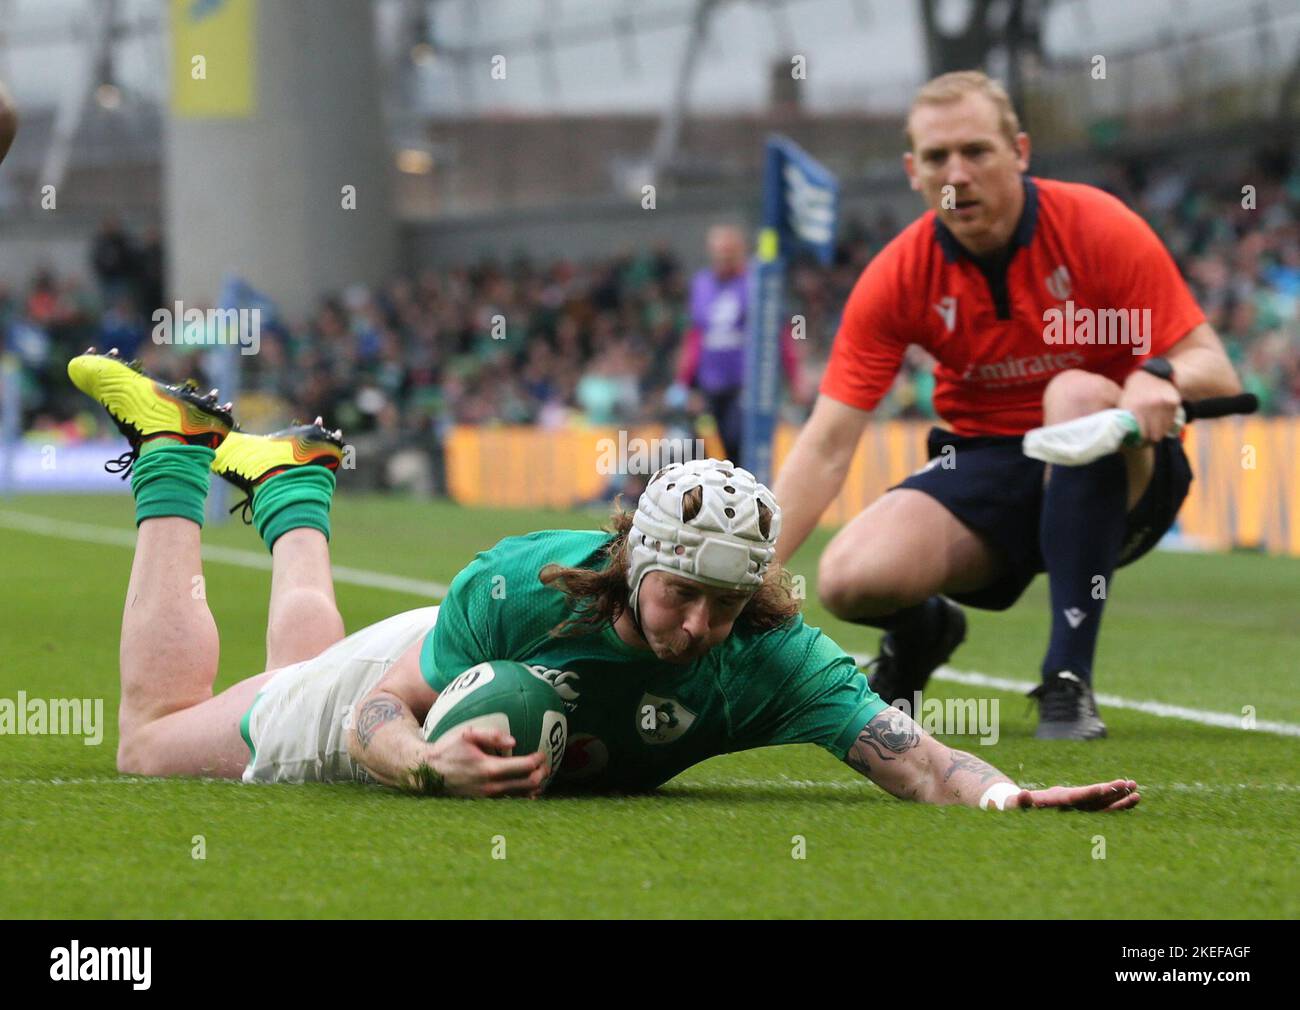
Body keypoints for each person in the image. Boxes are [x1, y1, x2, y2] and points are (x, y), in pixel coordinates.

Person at [67, 347, 1139, 811]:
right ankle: (174, 450)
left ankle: (293, 479)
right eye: (683, 593)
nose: (700, 625)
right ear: (636, 560)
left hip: (418, 654)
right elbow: (377, 708)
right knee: (153, 741)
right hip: (414, 673)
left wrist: (1002, 794)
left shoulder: (770, 653)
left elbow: (920, 764)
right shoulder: (529, 582)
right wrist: (427, 764)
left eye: (728, 600)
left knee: (299, 662)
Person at [772, 71, 1243, 739]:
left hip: (1118, 461)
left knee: (1074, 391)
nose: (956, 174)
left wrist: (1159, 376)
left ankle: (1067, 682)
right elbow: (824, 445)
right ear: (912, 171)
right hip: (991, 464)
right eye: (937, 158)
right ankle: (924, 631)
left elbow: (1216, 368)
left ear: (1019, 152)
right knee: (849, 579)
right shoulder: (897, 274)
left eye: (977, 151)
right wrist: (748, 581)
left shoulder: (1098, 226)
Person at [670, 225, 799, 467]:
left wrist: (793, 379)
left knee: (737, 442)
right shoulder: (701, 284)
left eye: (728, 252)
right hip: (709, 385)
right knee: (704, 450)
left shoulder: (757, 284)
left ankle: (743, 501)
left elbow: (781, 333)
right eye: (718, 252)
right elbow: (695, 337)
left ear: (741, 251)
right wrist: (684, 383)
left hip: (745, 384)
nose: (722, 259)